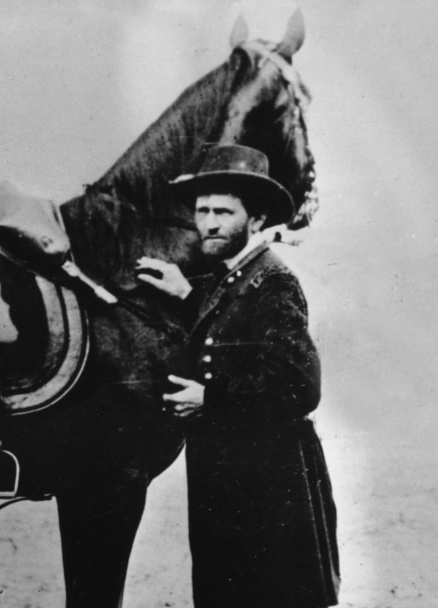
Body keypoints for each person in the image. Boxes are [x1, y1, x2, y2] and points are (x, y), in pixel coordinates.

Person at [135, 144, 340, 608]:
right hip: (226, 474)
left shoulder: (273, 281)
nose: (209, 223)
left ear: (255, 219)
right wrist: (188, 296)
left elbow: (300, 387)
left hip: (270, 479)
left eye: (223, 212)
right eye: (202, 210)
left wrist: (211, 400)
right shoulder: (232, 278)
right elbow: (232, 333)